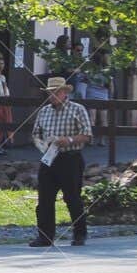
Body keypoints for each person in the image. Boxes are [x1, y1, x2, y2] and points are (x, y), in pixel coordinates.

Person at [28, 77, 91, 248]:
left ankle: (80, 234)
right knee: (44, 199)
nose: (53, 96)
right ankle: (45, 236)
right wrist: (42, 145)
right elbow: (36, 134)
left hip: (70, 157)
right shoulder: (44, 112)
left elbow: (87, 135)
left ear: (65, 93)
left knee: (72, 198)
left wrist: (68, 139)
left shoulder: (78, 110)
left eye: (56, 92)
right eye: (50, 93)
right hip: (49, 158)